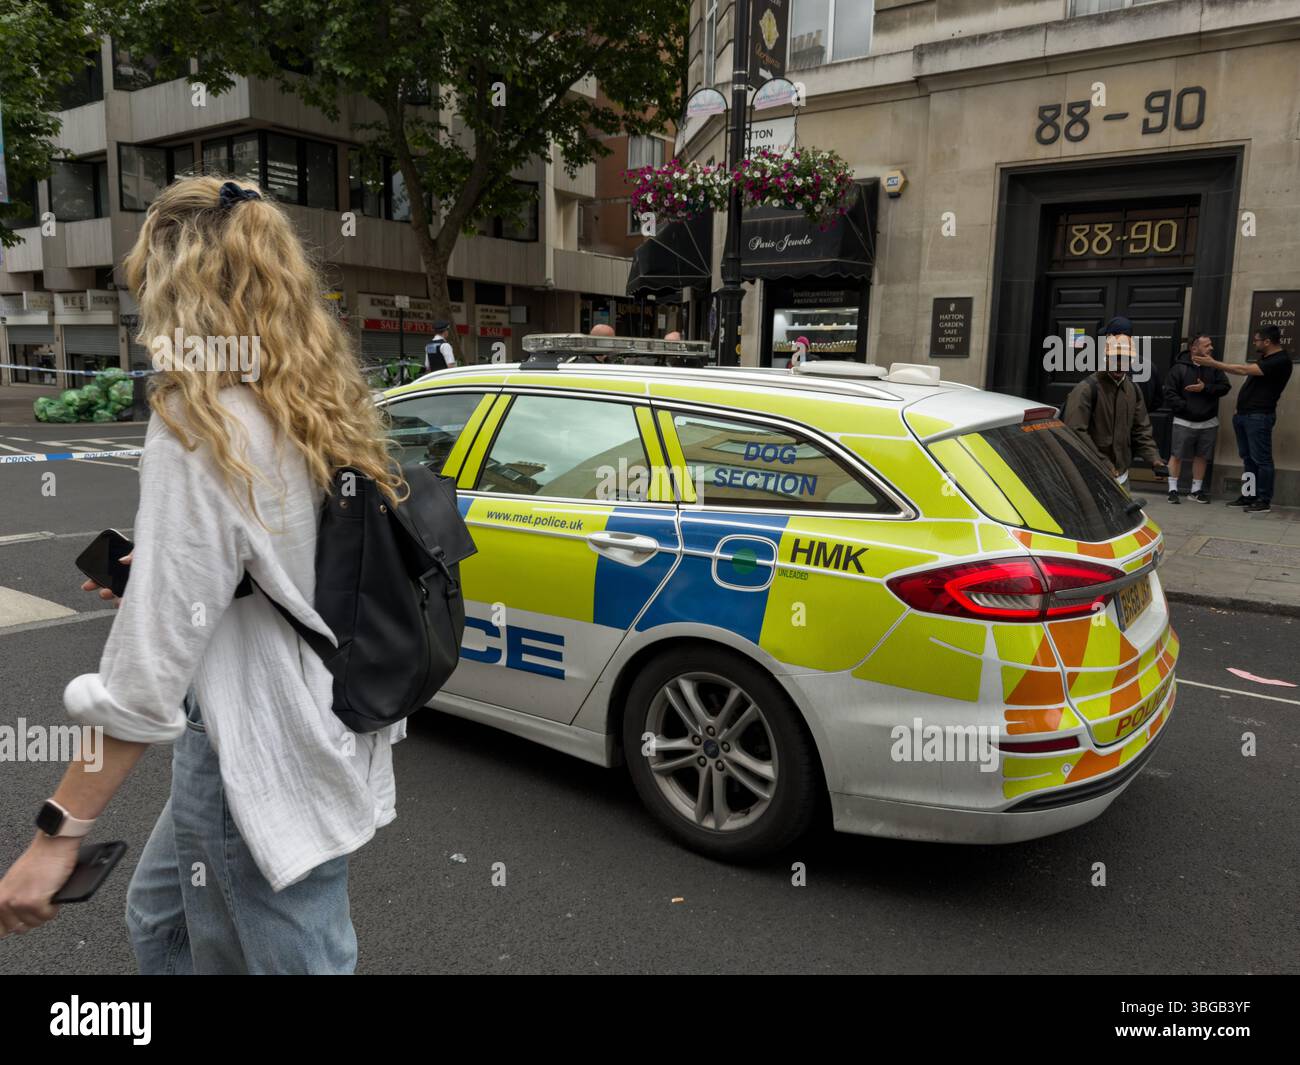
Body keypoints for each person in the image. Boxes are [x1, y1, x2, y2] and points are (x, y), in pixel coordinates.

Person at [0, 177, 409, 973]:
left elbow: (144, 672)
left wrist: (57, 834)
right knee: (161, 918)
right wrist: (164, 574)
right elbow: (293, 560)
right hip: (317, 720)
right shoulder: (315, 397)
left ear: (177, 284)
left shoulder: (202, 421)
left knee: (291, 957)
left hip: (260, 745)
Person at [1194, 324, 1293, 513]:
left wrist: (1214, 364)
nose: (1254, 342)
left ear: (1267, 341)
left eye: (1256, 340)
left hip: (1259, 417)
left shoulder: (1280, 360)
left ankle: (1263, 500)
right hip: (1244, 416)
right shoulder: (1265, 357)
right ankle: (1249, 496)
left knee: (1261, 459)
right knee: (1248, 459)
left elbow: (1241, 370)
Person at [1063, 318, 1168, 485]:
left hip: (1121, 474)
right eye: (1116, 358)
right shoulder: (1086, 389)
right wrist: (1103, 463)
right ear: (1106, 357)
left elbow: (1141, 429)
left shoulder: (1133, 389)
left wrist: (1155, 459)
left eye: (1125, 359)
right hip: (1093, 474)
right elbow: (1076, 431)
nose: (1120, 364)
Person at [1162, 332, 1230, 503]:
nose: (1211, 348)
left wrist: (1205, 388)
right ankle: (1172, 490)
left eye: (1210, 345)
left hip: (1208, 421)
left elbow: (1225, 387)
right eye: (1207, 345)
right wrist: (1185, 407)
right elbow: (1169, 392)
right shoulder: (1179, 368)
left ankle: (1196, 491)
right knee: (1176, 455)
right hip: (1184, 420)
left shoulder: (1214, 367)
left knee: (1202, 456)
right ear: (1194, 348)